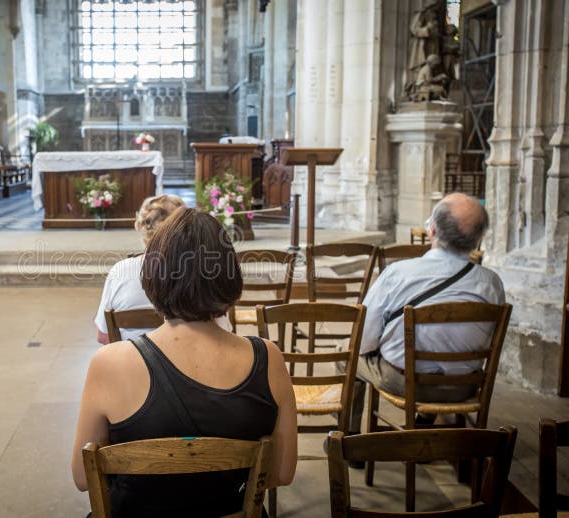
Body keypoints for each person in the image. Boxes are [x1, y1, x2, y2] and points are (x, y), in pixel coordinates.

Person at [72, 208, 297, 516]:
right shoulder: (267, 358)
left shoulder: (110, 363)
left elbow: (84, 477)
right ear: (229, 276)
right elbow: (281, 473)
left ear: (153, 276)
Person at [346, 193, 505, 446]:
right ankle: (423, 423)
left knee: (349, 355)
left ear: (431, 230)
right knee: (440, 345)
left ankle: (349, 439)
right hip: (464, 386)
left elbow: (363, 339)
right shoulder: (491, 283)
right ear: (477, 240)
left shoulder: (398, 273)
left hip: (403, 381)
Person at [94, 194, 230, 345]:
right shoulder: (202, 270)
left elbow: (103, 336)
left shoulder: (120, 271)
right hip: (194, 364)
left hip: (135, 364)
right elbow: (223, 332)